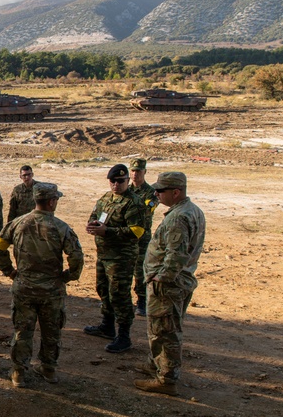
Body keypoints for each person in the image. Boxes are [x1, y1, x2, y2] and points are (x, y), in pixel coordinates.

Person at [0, 183, 84, 388]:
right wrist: (68, 276)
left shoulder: (17, 223)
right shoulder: (61, 227)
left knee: (22, 331)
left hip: (24, 287)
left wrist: (9, 270)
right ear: (51, 202)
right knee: (51, 331)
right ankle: (49, 368)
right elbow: (76, 256)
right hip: (51, 290)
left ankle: (19, 372)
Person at [135, 172, 205, 396]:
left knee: (165, 332)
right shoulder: (191, 210)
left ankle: (166, 379)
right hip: (181, 280)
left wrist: (161, 277)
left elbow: (176, 254)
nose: (156, 194)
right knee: (164, 328)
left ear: (176, 192)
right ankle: (156, 364)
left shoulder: (177, 217)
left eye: (160, 191)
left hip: (168, 285)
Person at [84, 163, 146, 353]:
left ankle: (124, 336)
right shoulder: (106, 198)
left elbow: (137, 230)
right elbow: (95, 216)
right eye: (113, 181)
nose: (116, 184)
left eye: (120, 181)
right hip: (104, 255)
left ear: (127, 180)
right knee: (103, 289)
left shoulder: (133, 202)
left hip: (121, 257)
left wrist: (107, 231)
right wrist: (92, 225)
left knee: (119, 295)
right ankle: (107, 326)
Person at [128, 159, 158, 317]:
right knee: (123, 268)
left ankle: (142, 300)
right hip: (126, 235)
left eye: (138, 171)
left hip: (142, 237)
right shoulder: (125, 189)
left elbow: (146, 210)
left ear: (144, 172)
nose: (135, 174)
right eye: (132, 171)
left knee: (140, 270)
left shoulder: (151, 192)